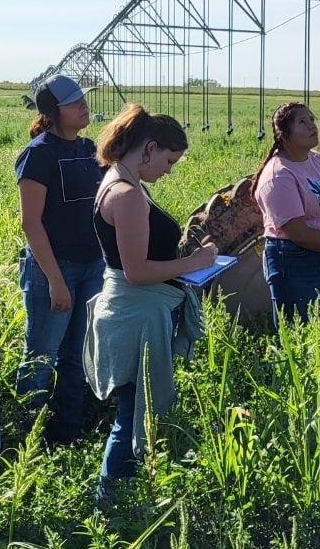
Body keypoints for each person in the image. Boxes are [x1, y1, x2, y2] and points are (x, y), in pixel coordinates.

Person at [83, 105, 217, 504]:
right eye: (169, 161)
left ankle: (120, 496)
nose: (169, 170)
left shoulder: (125, 182)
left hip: (135, 309)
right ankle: (111, 502)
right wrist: (193, 263)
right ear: (150, 148)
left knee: (132, 410)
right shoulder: (125, 195)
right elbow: (137, 271)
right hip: (136, 313)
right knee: (131, 416)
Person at [14, 73, 105, 446]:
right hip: (54, 268)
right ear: (53, 113)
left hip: (90, 266)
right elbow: (30, 222)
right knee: (41, 357)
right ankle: (26, 441)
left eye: (82, 98)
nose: (83, 104)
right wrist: (54, 279)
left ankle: (67, 435)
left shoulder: (88, 149)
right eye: (73, 102)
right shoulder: (39, 153)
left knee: (75, 357)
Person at [254, 101, 320, 323]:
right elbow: (298, 233)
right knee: (303, 331)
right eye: (302, 122)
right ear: (283, 135)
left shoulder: (316, 160)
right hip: (295, 259)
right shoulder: (278, 176)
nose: (312, 126)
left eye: (312, 119)